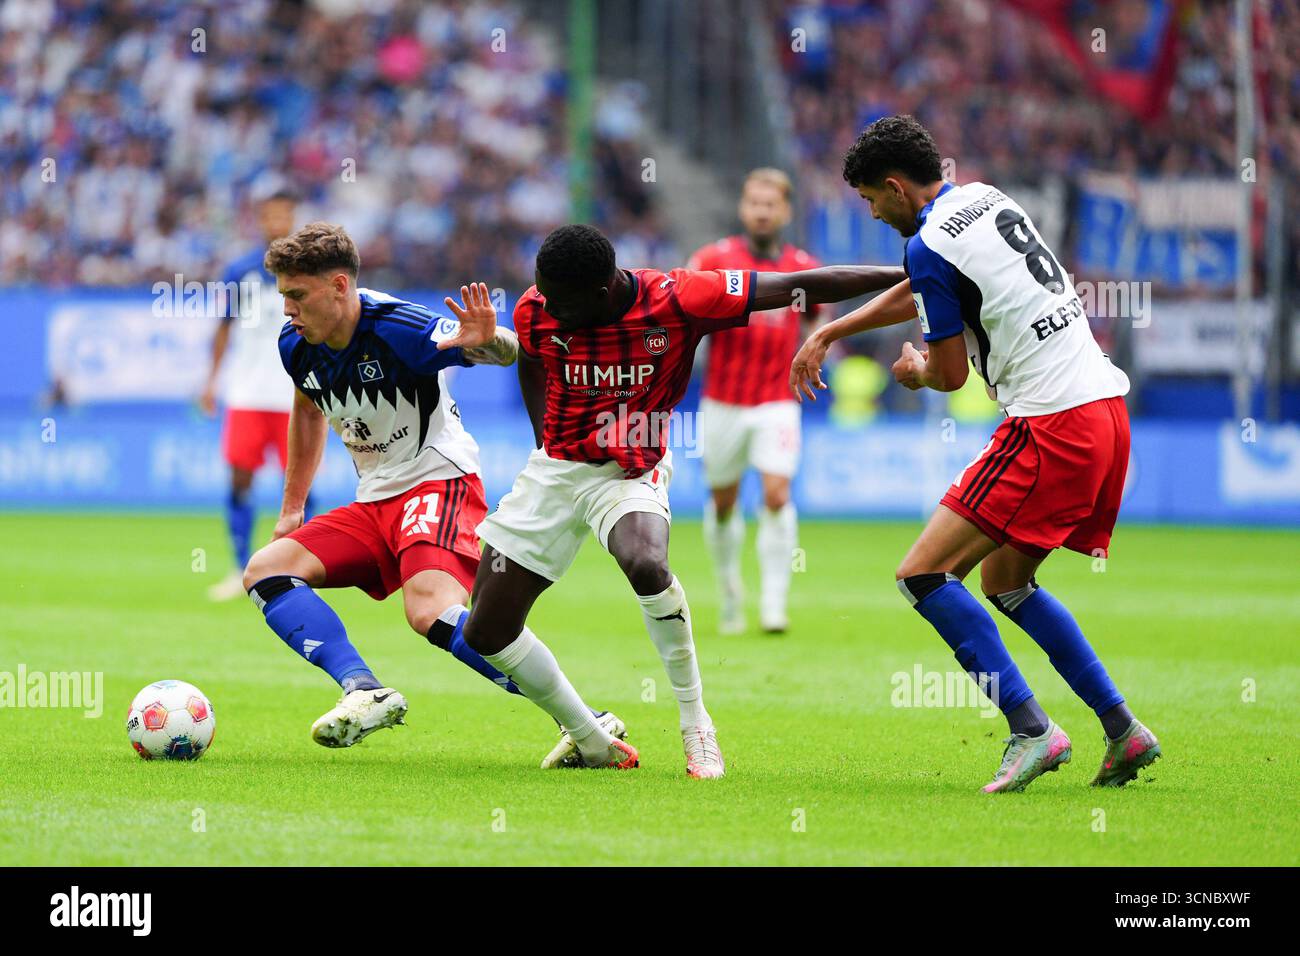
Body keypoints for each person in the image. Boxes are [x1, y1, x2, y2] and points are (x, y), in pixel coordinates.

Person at [791, 115, 1161, 792]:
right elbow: (926, 280)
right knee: (1006, 584)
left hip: (1052, 423)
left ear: (898, 188)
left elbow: (951, 373)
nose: (873, 212)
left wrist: (912, 371)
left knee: (923, 575)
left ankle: (1031, 730)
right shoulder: (985, 200)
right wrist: (835, 329)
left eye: (873, 199)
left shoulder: (930, 243)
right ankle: (1123, 729)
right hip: (1106, 410)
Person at [462, 224, 904, 778]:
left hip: (629, 469)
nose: (547, 306)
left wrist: (914, 270)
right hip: (554, 471)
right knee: (485, 631)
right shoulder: (540, 307)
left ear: (602, 292)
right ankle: (590, 739)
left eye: (560, 301)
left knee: (645, 561)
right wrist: (540, 436)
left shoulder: (679, 298)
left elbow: (804, 283)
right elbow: (530, 353)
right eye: (542, 294)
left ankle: (697, 726)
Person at [241, 222, 632, 766]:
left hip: (439, 482)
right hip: (375, 498)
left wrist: (487, 338)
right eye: (284, 296)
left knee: (429, 611)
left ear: (338, 286)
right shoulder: (296, 344)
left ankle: (585, 721)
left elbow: (502, 351)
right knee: (266, 571)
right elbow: (307, 410)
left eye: (297, 295)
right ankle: (363, 690)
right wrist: (291, 508)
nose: (288, 310)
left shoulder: (398, 326)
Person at [688, 168, 829, 634]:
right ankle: (730, 595)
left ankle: (773, 604)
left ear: (785, 211)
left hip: (776, 398)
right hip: (723, 400)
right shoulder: (713, 259)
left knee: (776, 493)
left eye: (771, 204)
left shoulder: (803, 266)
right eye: (755, 202)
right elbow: (682, 310)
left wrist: (814, 350)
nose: (763, 211)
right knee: (724, 502)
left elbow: (818, 323)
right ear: (743, 208)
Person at [202, 189, 307, 601]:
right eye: (269, 216)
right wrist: (211, 381)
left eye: (284, 215)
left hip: (294, 395)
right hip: (246, 393)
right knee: (240, 478)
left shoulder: (306, 272)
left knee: (299, 483)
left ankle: (300, 567)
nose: (276, 223)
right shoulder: (240, 271)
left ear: (292, 217)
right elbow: (224, 327)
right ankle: (240, 564)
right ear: (260, 219)